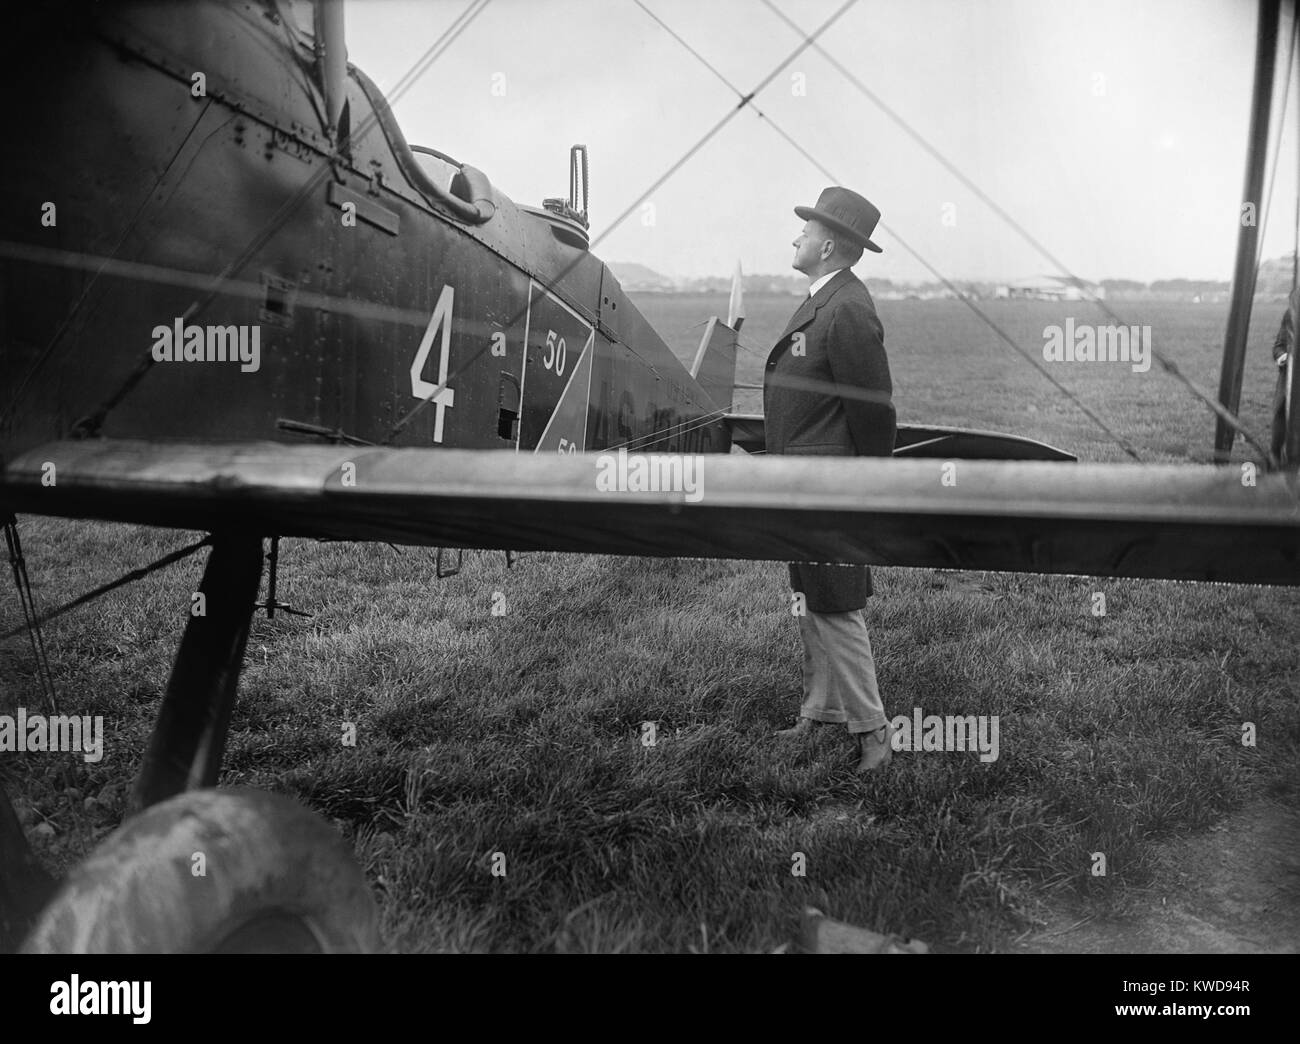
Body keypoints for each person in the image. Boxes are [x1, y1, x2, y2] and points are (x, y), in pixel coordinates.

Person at [764, 186, 897, 773]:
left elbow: (874, 411)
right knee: (813, 600)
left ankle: (874, 733)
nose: (796, 237)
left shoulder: (847, 309)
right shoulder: (827, 298)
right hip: (805, 485)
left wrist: (864, 488)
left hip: (829, 488)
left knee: (838, 608)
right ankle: (822, 710)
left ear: (828, 245)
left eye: (805, 231)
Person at [1270, 283, 1297, 462]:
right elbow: (1278, 346)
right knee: (1280, 415)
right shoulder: (1290, 314)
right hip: (1289, 378)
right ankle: (1275, 458)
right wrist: (1283, 357)